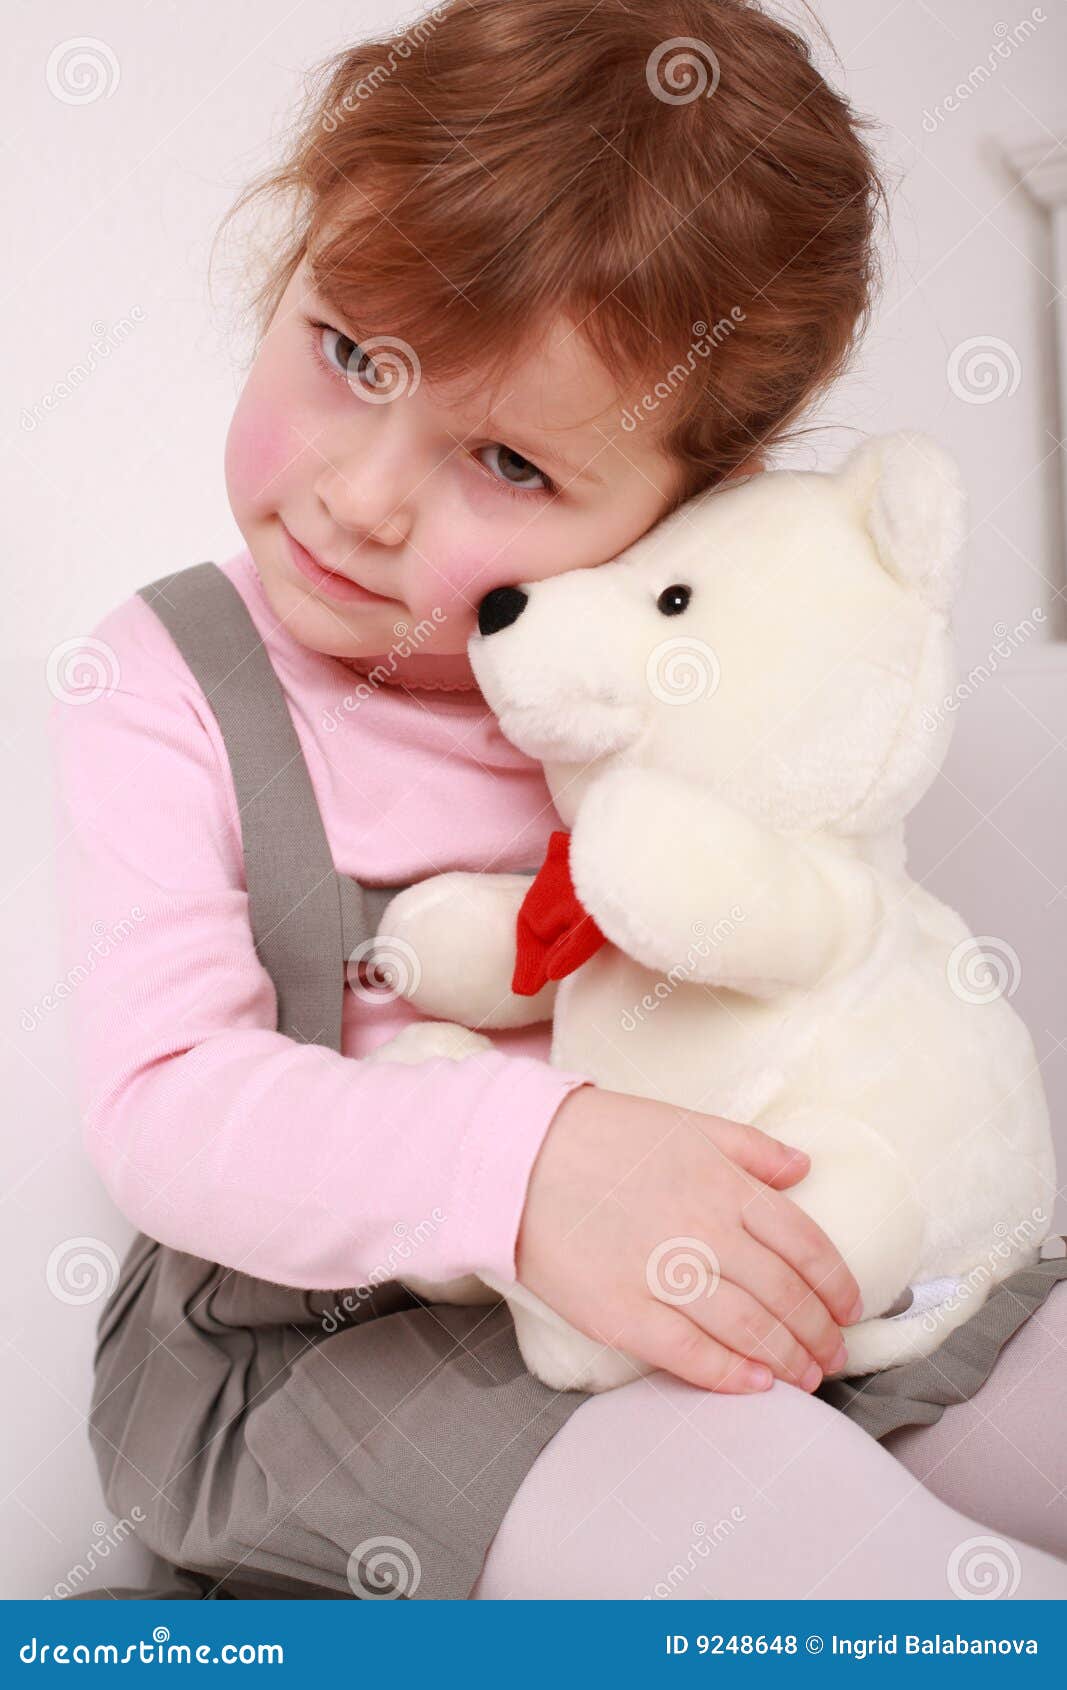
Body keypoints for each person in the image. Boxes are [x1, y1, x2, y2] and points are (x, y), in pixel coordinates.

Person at [50, 0, 1067, 1600]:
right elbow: (169, 1102)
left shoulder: (681, 675)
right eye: (346, 353)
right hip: (325, 1361)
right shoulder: (167, 678)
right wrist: (529, 1169)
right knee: (786, 1513)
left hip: (738, 1279)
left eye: (510, 464)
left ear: (692, 503)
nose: (362, 497)